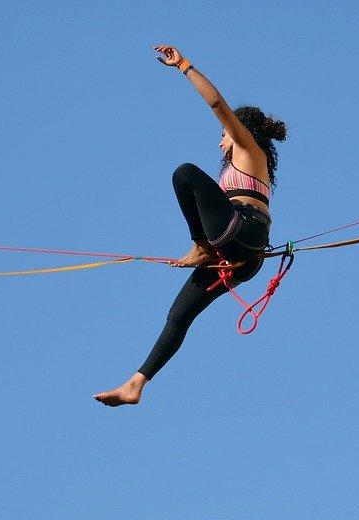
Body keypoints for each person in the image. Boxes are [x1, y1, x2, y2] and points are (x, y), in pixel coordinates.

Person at [95, 44, 286, 407]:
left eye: (224, 135)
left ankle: (200, 245)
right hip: (241, 256)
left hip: (242, 233)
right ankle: (136, 384)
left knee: (185, 173)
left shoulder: (250, 152)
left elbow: (217, 105)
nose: (220, 140)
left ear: (239, 131)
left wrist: (183, 65)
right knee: (179, 314)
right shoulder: (240, 170)